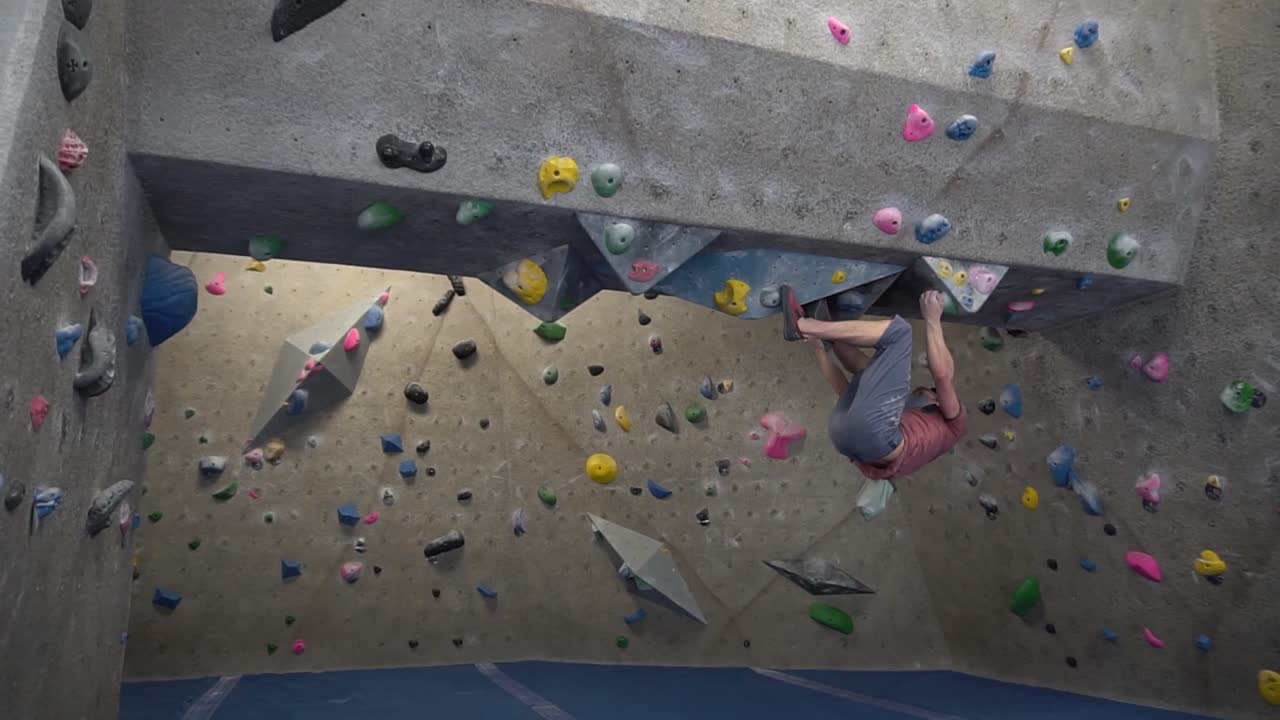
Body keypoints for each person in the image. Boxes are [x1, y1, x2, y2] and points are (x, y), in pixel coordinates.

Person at [780, 286, 967, 479]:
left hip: (877, 437)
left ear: (936, 400)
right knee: (869, 372)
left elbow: (943, 376)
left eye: (924, 392)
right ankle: (823, 330)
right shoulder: (913, 430)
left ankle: (805, 326)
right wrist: (819, 350)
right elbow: (846, 391)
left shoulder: (955, 423)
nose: (917, 392)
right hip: (842, 436)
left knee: (900, 334)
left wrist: (932, 319)